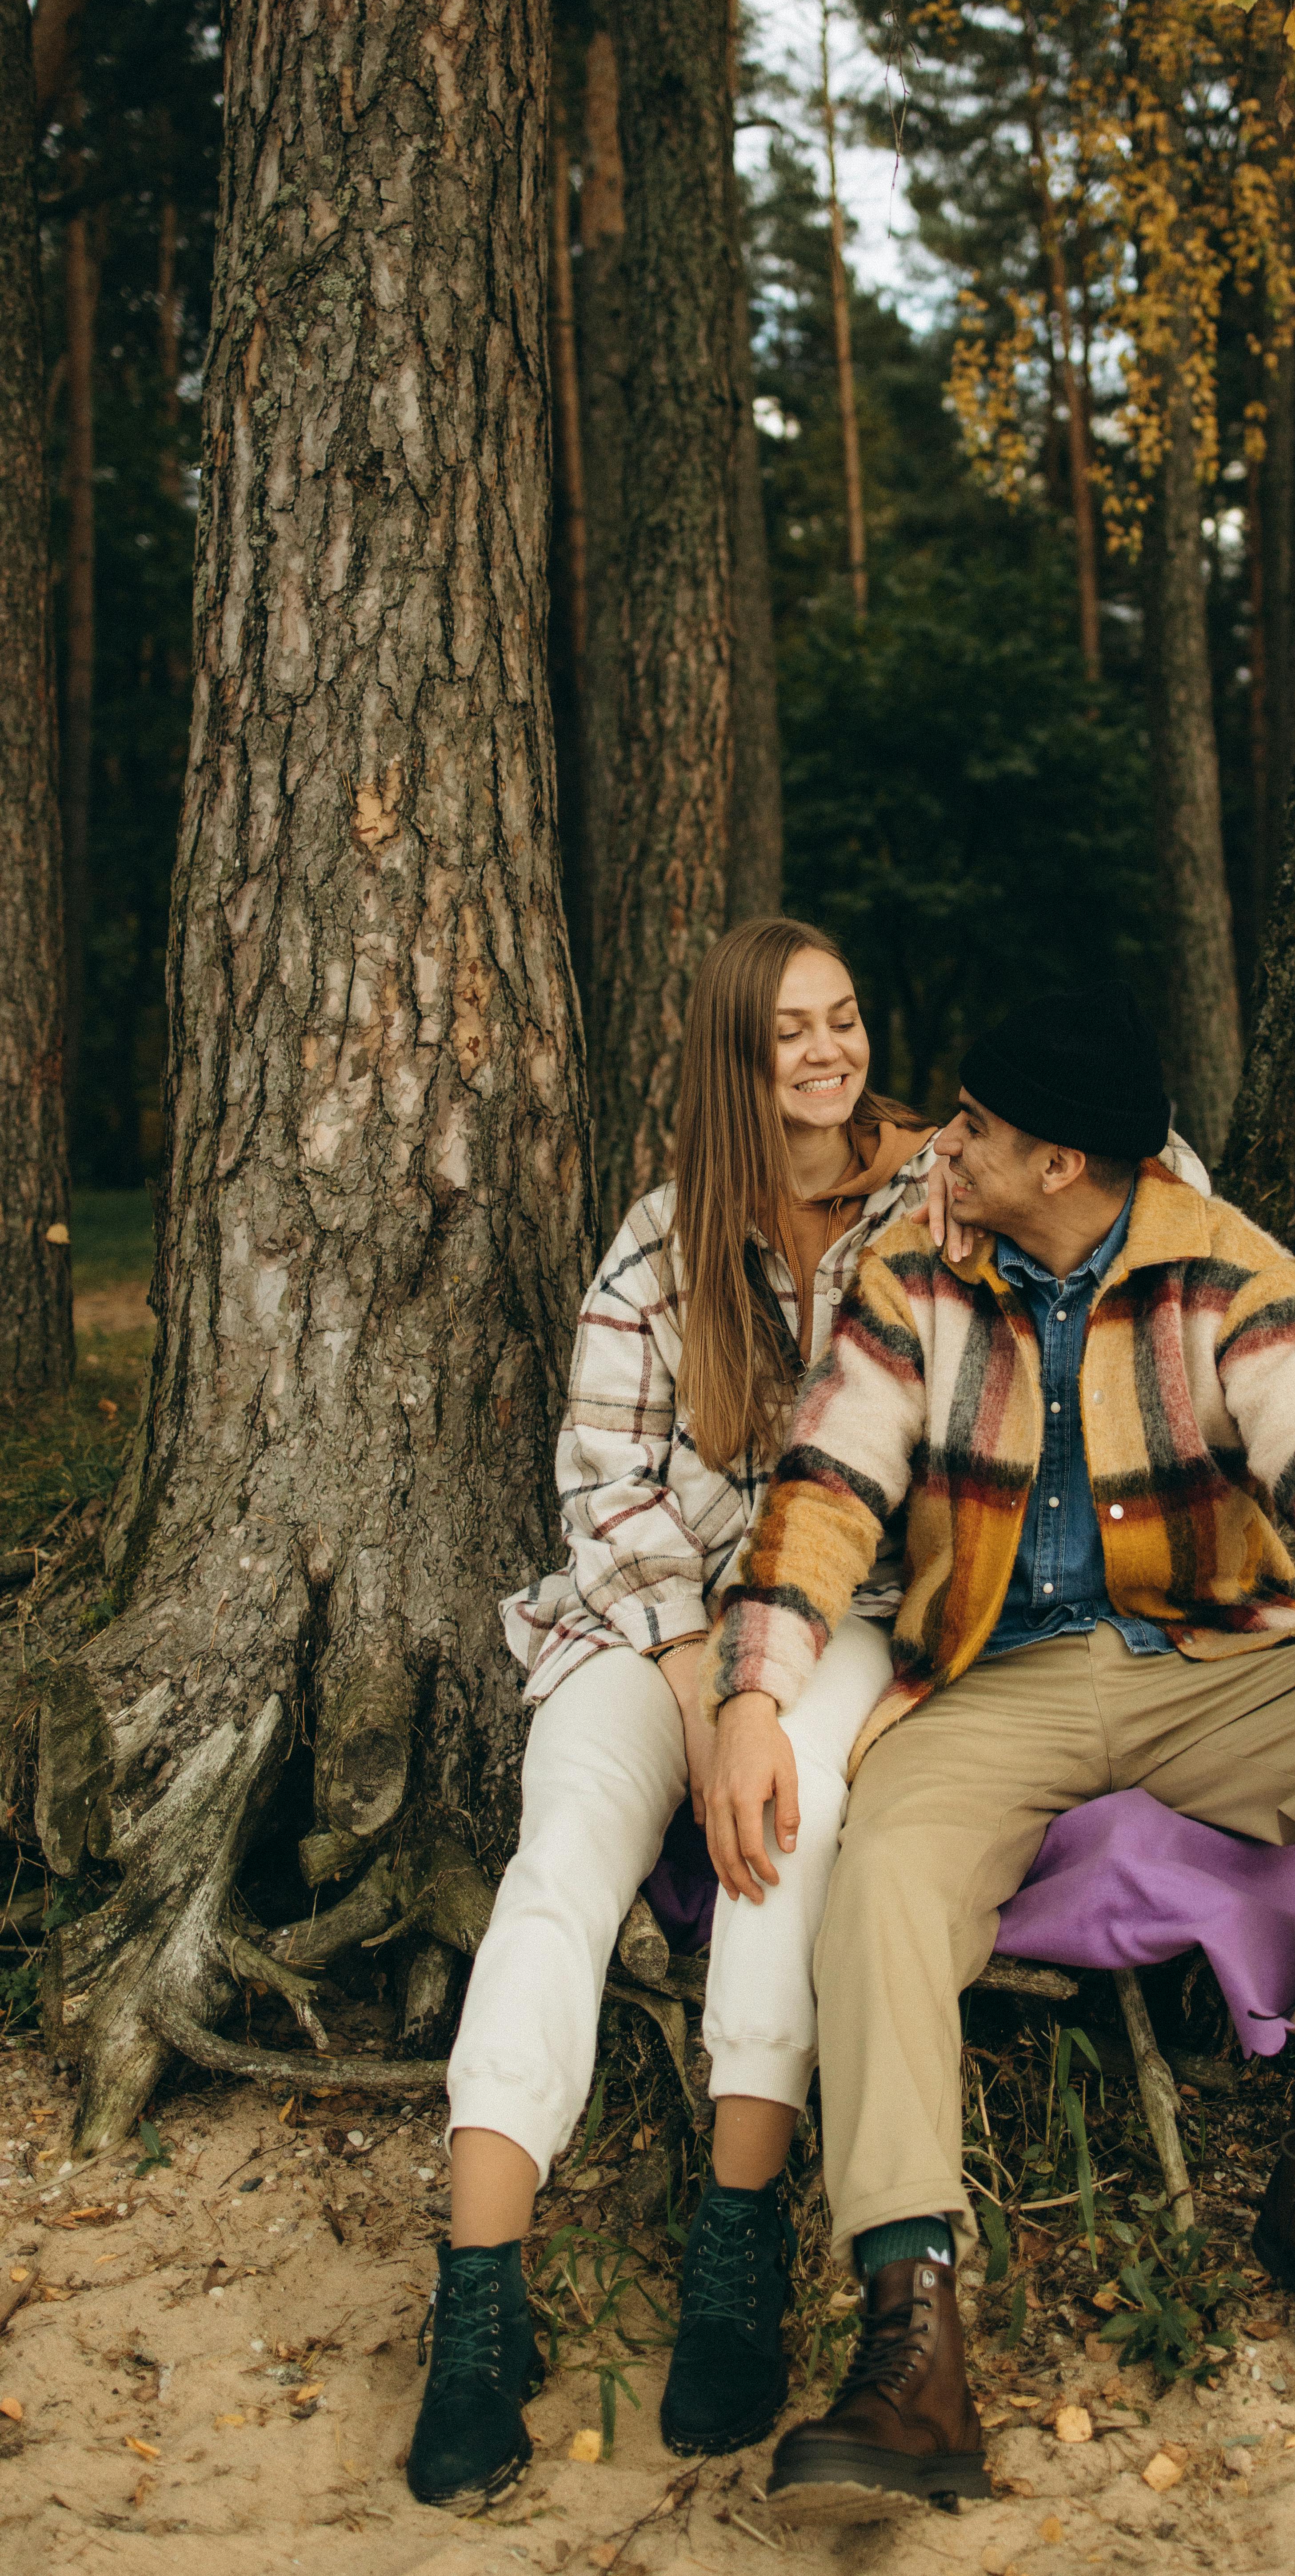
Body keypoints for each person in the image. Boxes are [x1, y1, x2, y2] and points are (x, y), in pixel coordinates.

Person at [700, 984, 1295, 2520]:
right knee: (886, 1880)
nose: (944, 1145)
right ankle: (914, 2343)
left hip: (1213, 1657)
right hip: (995, 1675)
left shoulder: (1226, 1272)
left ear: (1062, 1163)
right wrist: (751, 1691)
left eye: (979, 1130)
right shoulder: (918, 1267)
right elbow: (822, 1490)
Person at [404, 918, 935, 2507]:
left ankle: (736, 2239)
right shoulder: (659, 1246)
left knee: (794, 1822)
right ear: (736, 1058)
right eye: (794, 1032)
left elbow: (1132, 1157)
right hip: (649, 1632)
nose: (832, 1052)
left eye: (845, 1020)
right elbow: (609, 1499)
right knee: (566, 1845)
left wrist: (767, 1709)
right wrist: (712, 1695)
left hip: (848, 1609)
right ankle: (476, 2305)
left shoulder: (925, 1199)